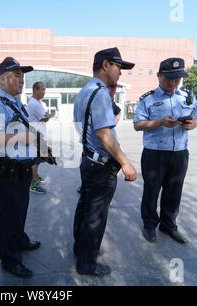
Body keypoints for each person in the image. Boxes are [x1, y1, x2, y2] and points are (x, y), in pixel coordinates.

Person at [73, 47, 138, 277]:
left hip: (89, 159)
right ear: (105, 65)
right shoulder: (100, 92)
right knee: (95, 215)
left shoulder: (84, 91)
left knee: (85, 208)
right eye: (118, 67)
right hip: (100, 165)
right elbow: (104, 134)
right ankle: (86, 263)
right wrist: (126, 163)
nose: (120, 73)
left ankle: (80, 248)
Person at [0, 57, 42, 279]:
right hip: (9, 170)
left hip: (22, 168)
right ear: (2, 79)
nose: (21, 79)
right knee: (10, 216)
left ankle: (20, 240)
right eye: (16, 74)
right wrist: (23, 137)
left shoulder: (16, 103)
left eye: (22, 75)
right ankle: (10, 259)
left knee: (20, 210)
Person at [134, 58, 197, 245]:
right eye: (169, 79)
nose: (173, 83)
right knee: (151, 190)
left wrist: (192, 124)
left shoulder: (188, 95)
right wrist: (160, 122)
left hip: (179, 152)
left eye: (177, 79)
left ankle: (168, 225)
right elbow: (138, 125)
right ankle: (149, 224)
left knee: (174, 191)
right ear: (159, 76)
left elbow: (196, 117)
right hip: (155, 153)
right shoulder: (147, 99)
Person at [27, 82, 51, 195]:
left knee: (39, 159)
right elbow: (45, 117)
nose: (44, 92)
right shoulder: (34, 104)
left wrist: (46, 116)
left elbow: (45, 115)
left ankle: (35, 176)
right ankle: (33, 184)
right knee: (35, 160)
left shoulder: (36, 102)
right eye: (42, 90)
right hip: (36, 136)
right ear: (35, 90)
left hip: (38, 135)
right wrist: (48, 116)